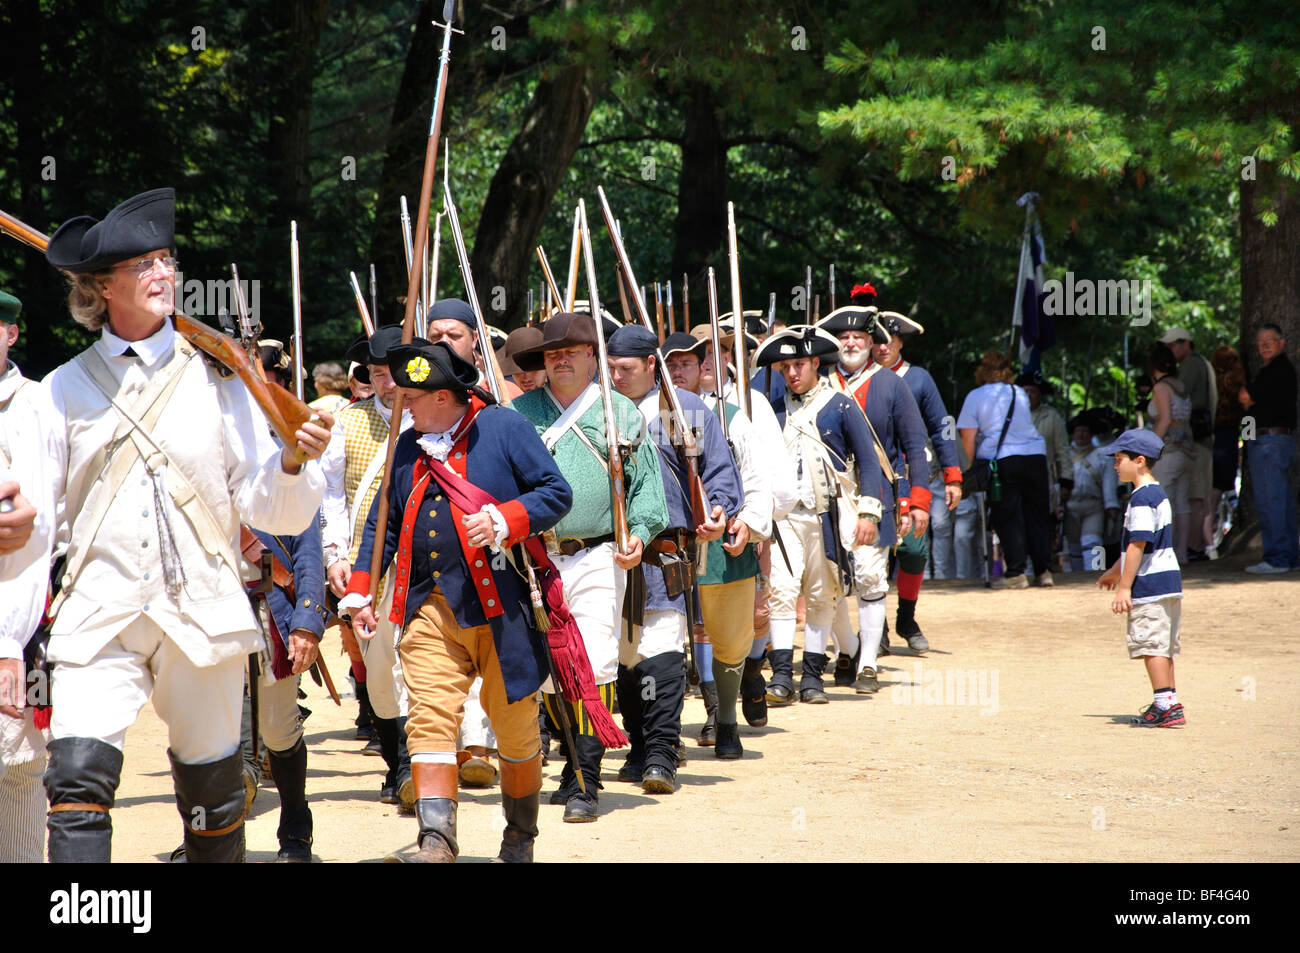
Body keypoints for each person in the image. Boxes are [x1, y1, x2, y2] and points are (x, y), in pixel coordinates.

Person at [39, 187, 332, 862]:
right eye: (142, 263)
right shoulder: (60, 389)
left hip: (202, 611)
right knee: (76, 782)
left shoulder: (225, 379)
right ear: (101, 286)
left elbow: (275, 510)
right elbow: (35, 525)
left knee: (211, 800)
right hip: (96, 611)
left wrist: (291, 458)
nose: (162, 271)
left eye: (166, 257)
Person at [342, 340, 572, 862]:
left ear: (444, 397)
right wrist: (361, 588)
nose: (404, 407)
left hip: (504, 610)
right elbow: (384, 523)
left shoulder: (505, 428)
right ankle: (436, 840)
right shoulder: (408, 445)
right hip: (430, 605)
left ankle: (519, 837)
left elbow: (555, 493)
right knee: (428, 716)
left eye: (413, 398)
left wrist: (504, 519)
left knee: (514, 730)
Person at [511, 313, 668, 821]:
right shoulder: (519, 414)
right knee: (552, 671)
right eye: (553, 352)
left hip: (599, 553)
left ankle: (586, 780)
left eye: (572, 350)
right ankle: (572, 760)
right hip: (533, 557)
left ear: (590, 357)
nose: (561, 358)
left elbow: (647, 489)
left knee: (595, 658)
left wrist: (638, 535)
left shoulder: (619, 412)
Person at [607, 324, 740, 781]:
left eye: (625, 369)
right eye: (610, 369)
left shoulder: (684, 411)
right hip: (612, 551)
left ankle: (663, 751)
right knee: (626, 656)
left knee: (661, 647)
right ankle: (638, 746)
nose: (617, 378)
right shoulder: (602, 409)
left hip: (665, 552)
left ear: (650, 365)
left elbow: (720, 473)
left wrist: (718, 509)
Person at [754, 325, 884, 704]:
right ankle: (780, 675)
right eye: (786, 367)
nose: (792, 373)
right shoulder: (771, 410)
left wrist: (869, 514)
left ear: (814, 363)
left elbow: (870, 464)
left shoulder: (841, 405)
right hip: (782, 519)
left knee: (821, 594)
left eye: (799, 364)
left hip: (825, 515)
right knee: (779, 592)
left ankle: (812, 677)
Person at [320, 324, 414, 809]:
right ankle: (397, 762)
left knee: (418, 666)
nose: (387, 383)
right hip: (365, 566)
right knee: (378, 669)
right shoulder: (348, 422)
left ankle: (419, 765)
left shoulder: (433, 419)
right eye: (378, 374)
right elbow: (331, 495)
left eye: (394, 372)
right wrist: (335, 554)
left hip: (421, 564)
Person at [820, 305, 931, 691]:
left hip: (877, 492)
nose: (851, 343)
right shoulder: (821, 384)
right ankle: (848, 648)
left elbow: (914, 445)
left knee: (869, 577)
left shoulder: (891, 384)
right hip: (828, 495)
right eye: (845, 338)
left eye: (859, 338)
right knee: (830, 580)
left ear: (870, 343)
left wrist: (918, 500)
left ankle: (868, 662)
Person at [864, 301, 964, 646]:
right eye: (876, 340)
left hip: (912, 476)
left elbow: (942, 427)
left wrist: (952, 474)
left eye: (889, 339)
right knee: (874, 554)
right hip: (871, 478)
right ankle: (876, 630)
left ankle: (906, 618)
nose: (882, 346)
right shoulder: (858, 380)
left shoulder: (919, 379)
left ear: (900, 342)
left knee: (913, 552)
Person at [0, 288, 55, 863]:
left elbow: (44, 525)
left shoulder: (41, 405)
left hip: (24, 607)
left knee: (17, 761)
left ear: (12, 333)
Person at [1097, 429, 1185, 728]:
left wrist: (1124, 587)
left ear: (1139, 460)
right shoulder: (1156, 493)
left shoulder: (1142, 498)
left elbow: (1138, 544)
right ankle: (1169, 701)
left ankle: (1164, 705)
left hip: (1150, 585)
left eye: (1119, 459)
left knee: (1151, 646)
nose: (1115, 466)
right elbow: (1135, 546)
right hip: (1168, 582)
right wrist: (1114, 571)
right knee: (1163, 646)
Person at [956, 352, 1052, 589]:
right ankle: (1044, 571)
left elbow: (967, 437)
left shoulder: (975, 396)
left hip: (1004, 462)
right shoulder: (1018, 392)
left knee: (1008, 516)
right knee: (1037, 515)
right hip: (1035, 457)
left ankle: (1017, 573)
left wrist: (967, 471)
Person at [1238, 324, 1298, 573]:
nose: (1264, 345)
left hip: (1270, 441)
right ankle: (1289, 556)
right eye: (1260, 341)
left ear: (1281, 342)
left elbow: (1244, 398)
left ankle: (1278, 558)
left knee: (1272, 500)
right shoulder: (1268, 371)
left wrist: (1248, 398)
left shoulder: (1278, 369)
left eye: (1270, 340)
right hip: (1267, 440)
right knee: (1279, 499)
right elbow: (1246, 400)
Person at [1160, 327, 1217, 560]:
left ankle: (1193, 547)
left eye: (1174, 345)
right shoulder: (1197, 362)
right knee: (1192, 497)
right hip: (1197, 442)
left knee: (1194, 497)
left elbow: (1178, 397)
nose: (1171, 350)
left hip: (1196, 442)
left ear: (1186, 343)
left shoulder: (1191, 365)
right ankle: (1191, 548)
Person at [1018, 371, 1072, 573]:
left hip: (1044, 479)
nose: (1029, 395)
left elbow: (1062, 451)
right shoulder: (1010, 416)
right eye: (1025, 391)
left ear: (1040, 394)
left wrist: (1066, 480)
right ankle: (1024, 569)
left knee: (1041, 525)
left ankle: (1042, 568)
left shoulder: (1052, 416)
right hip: (1016, 479)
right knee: (1019, 525)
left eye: (1033, 391)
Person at [1146, 343, 1193, 563]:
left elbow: (1164, 420)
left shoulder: (1161, 388)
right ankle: (1181, 553)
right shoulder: (1181, 385)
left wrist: (1150, 449)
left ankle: (1164, 553)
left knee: (1163, 501)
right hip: (1186, 449)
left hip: (1168, 450)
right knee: (1182, 503)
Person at [1064, 411, 1120, 571]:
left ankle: (1095, 574)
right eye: (1077, 431)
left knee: (1093, 542)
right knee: (1072, 545)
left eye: (1085, 431)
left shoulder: (1102, 456)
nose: (1081, 434)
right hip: (1070, 505)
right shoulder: (1065, 455)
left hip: (1093, 505)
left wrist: (1111, 505)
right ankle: (1073, 577)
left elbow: (1109, 483)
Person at [1209, 346, 1247, 547]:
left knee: (1215, 489)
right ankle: (1209, 537)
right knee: (1223, 484)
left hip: (1217, 435)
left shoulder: (1214, 383)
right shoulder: (1238, 384)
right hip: (1229, 434)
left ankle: (1206, 539)